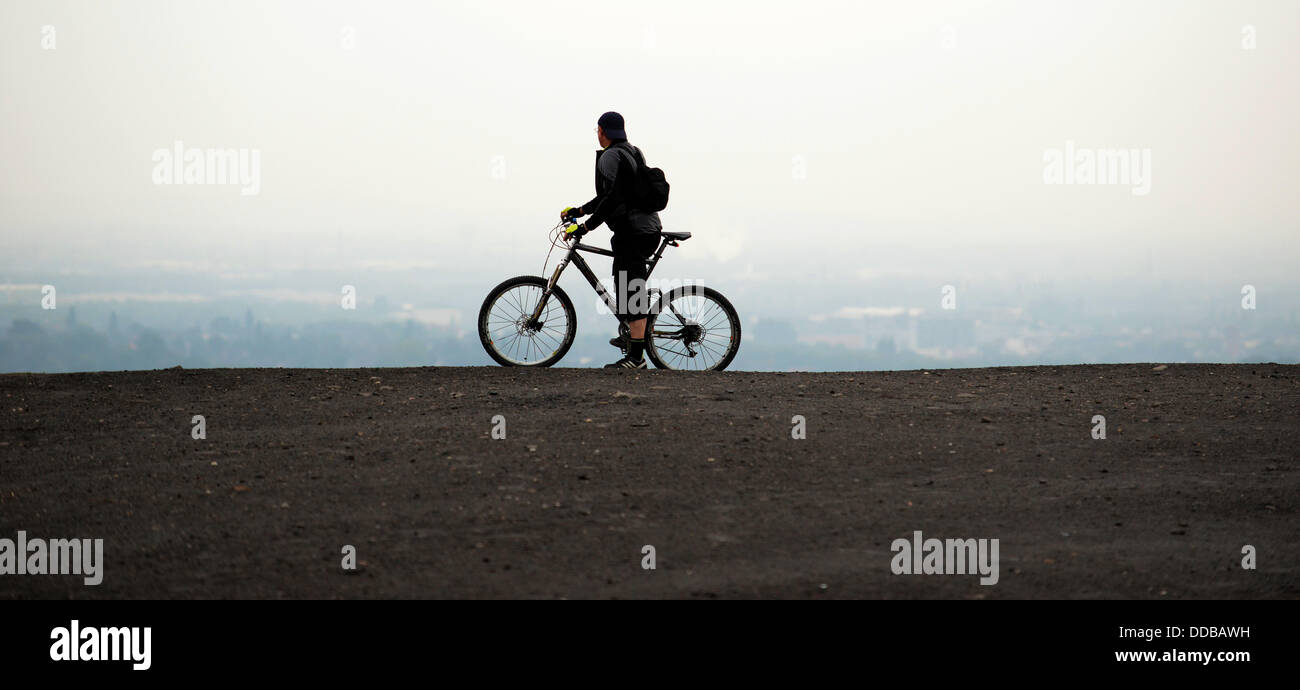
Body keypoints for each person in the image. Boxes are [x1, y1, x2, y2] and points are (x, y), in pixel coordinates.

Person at [560, 111, 663, 369]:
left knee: (632, 291)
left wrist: (585, 226)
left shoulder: (609, 157)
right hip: (645, 228)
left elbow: (614, 199)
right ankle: (631, 334)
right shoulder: (633, 151)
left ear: (602, 131)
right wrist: (580, 211)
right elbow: (615, 196)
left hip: (635, 232)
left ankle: (636, 359)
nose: (597, 134)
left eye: (597, 130)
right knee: (626, 284)